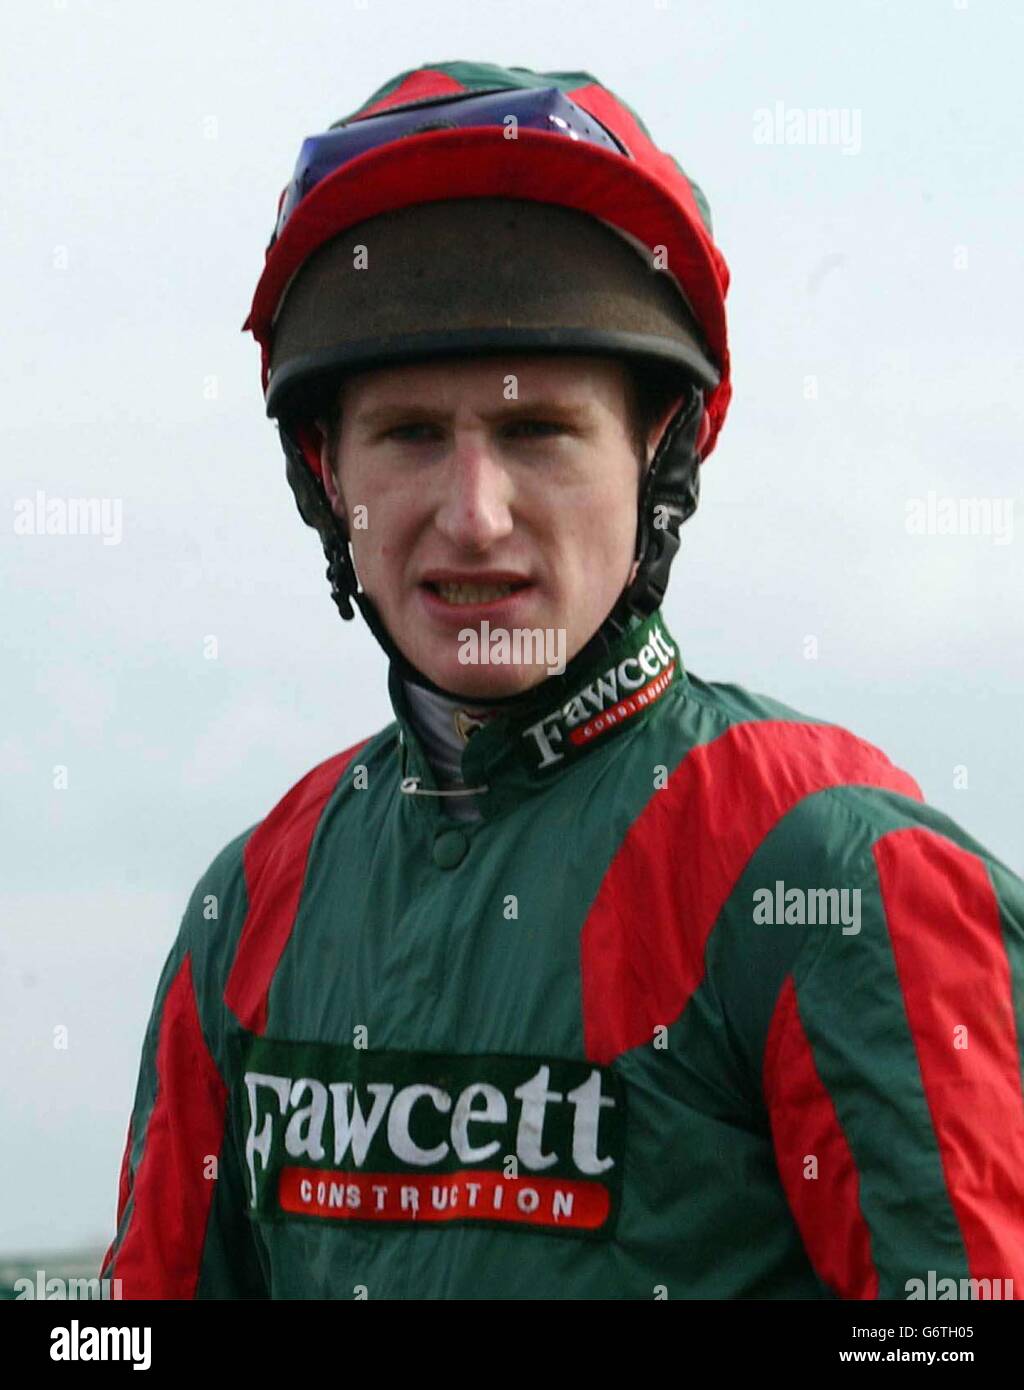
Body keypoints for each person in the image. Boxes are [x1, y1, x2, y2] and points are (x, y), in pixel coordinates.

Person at [101, 60, 1024, 1300]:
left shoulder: (838, 876)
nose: (474, 518)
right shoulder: (249, 904)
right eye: (412, 434)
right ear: (328, 474)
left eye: (537, 433)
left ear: (658, 450)